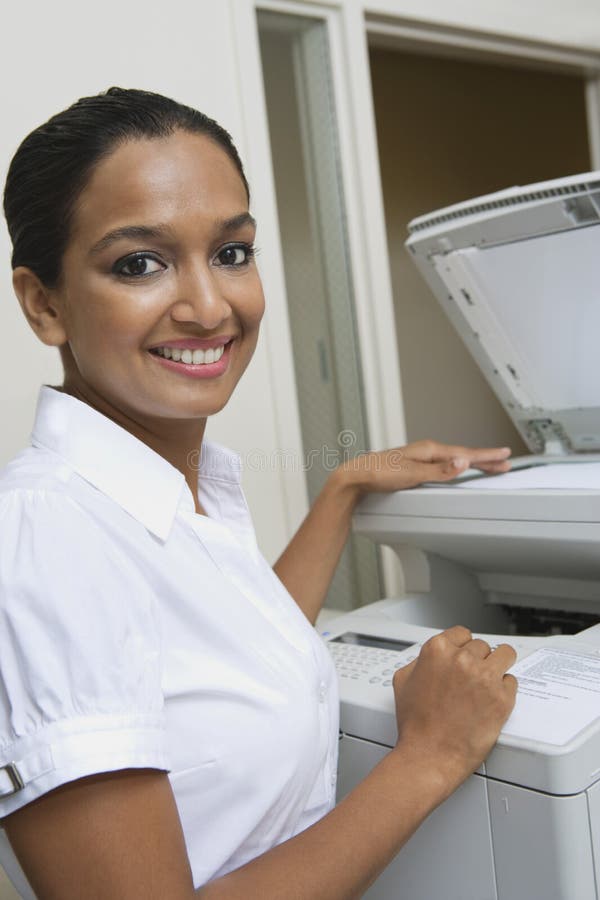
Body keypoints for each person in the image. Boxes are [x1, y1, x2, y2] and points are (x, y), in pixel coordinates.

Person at [0, 87, 517, 899]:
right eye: (139, 263)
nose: (210, 308)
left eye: (232, 252)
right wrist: (429, 758)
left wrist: (342, 491)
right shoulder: (51, 537)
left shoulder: (169, 488)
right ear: (44, 303)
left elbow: (227, 658)